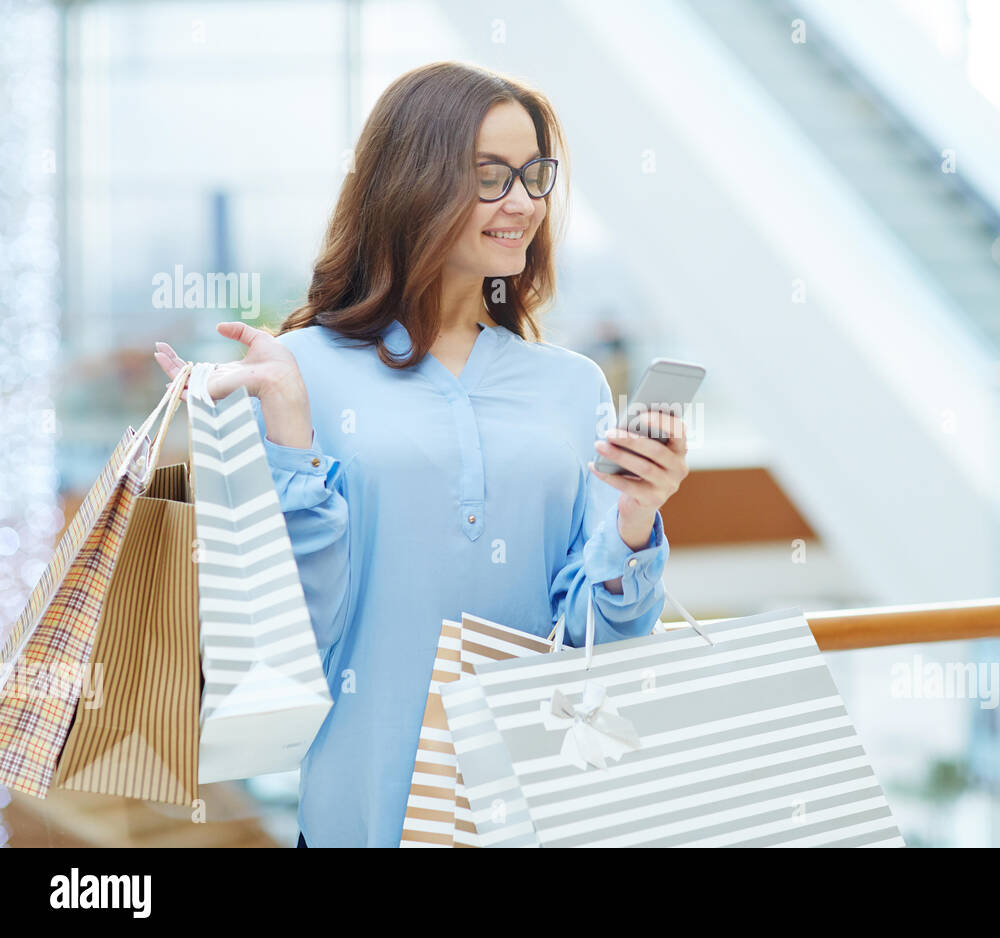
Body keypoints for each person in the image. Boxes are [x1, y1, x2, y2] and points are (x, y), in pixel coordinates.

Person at [153, 62, 688, 847]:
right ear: (412, 182)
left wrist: (635, 523)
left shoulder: (571, 389)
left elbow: (590, 651)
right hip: (358, 823)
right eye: (489, 176)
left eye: (534, 174)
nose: (523, 202)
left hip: (530, 821)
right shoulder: (297, 371)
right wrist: (294, 439)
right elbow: (297, 633)